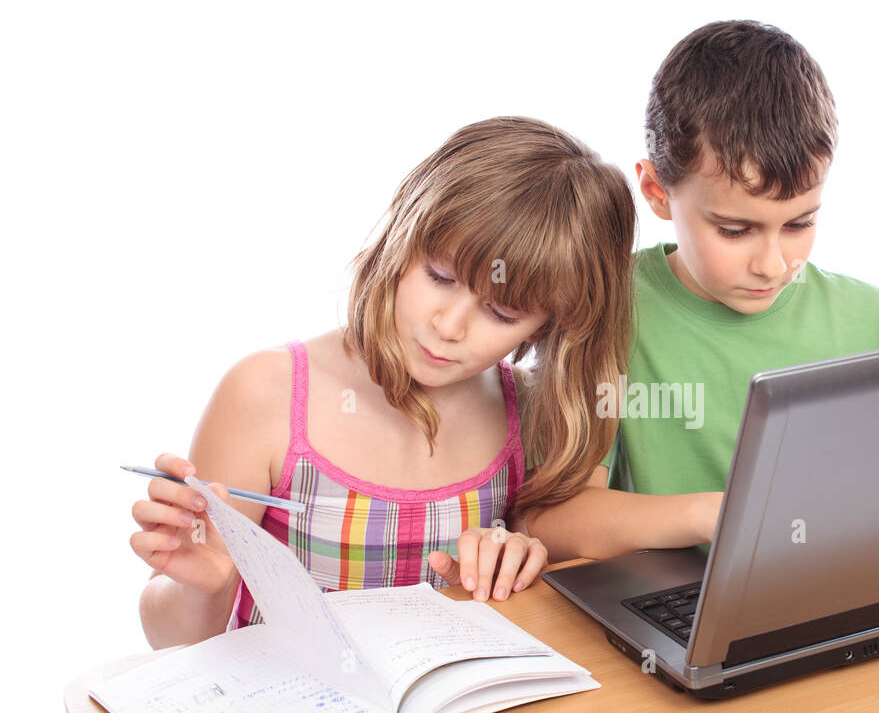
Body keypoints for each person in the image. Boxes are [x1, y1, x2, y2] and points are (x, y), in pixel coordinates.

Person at [129, 116, 635, 649]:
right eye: (439, 277)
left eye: (503, 313)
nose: (449, 326)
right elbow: (172, 641)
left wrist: (518, 557)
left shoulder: (529, 413)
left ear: (553, 323)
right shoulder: (267, 393)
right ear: (402, 234)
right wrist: (201, 586)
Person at [528, 20, 879, 560]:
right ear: (657, 192)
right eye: (735, 231)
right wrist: (714, 515)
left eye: (799, 224)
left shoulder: (871, 319)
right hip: (680, 609)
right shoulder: (609, 308)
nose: (773, 264)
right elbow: (550, 520)